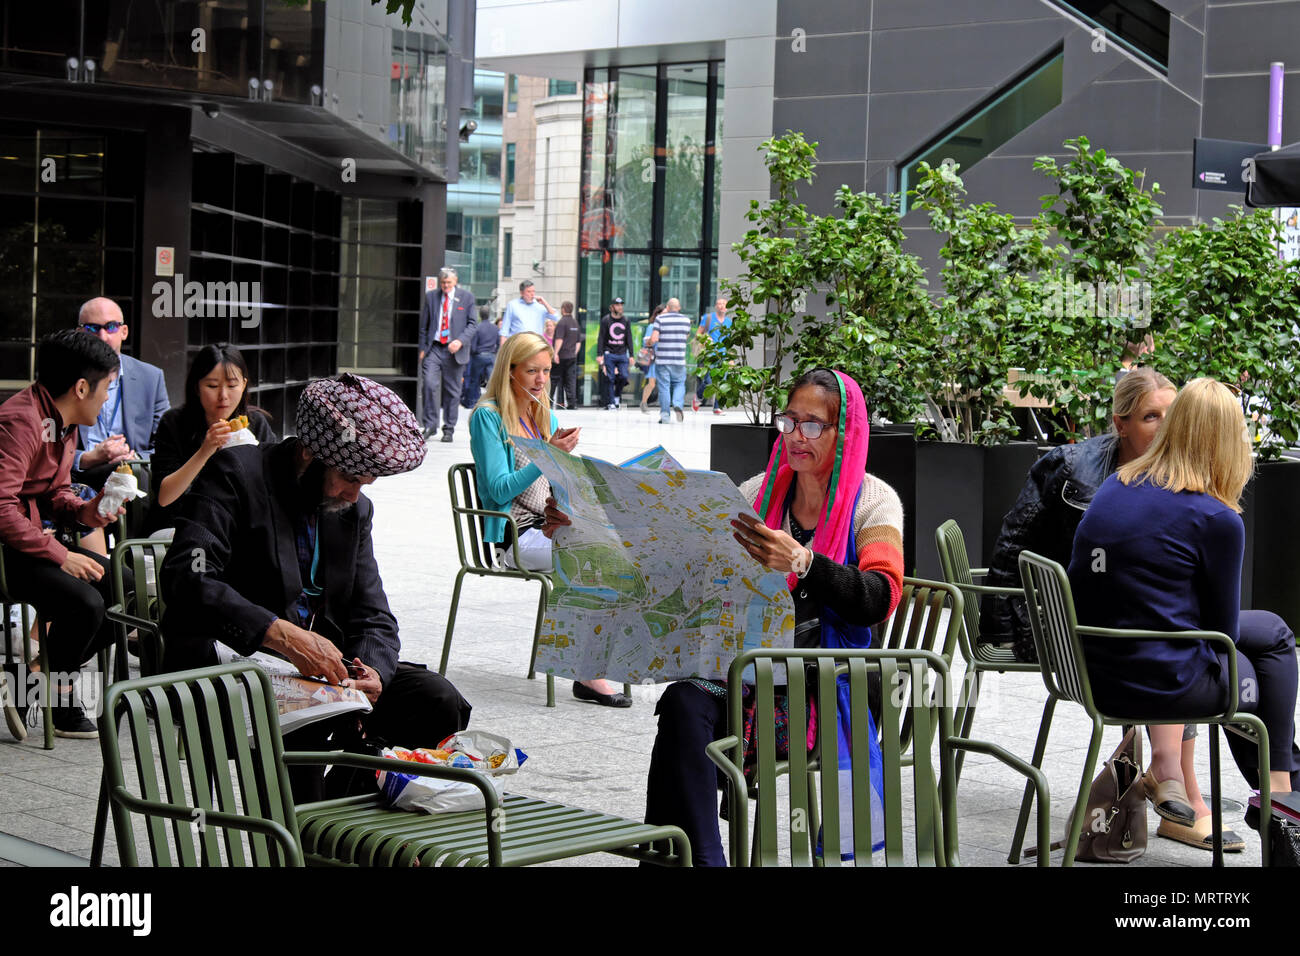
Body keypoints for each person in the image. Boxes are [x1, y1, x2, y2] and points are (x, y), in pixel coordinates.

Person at [160, 373, 470, 801]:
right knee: (309, 720)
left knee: (437, 699)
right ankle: (300, 845)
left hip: (316, 674)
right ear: (309, 452)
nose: (354, 492)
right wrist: (279, 633)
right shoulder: (236, 473)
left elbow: (373, 613)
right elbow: (188, 576)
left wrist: (375, 671)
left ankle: (348, 820)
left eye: (365, 482)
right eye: (348, 476)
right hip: (234, 662)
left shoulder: (354, 509)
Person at [643, 369, 905, 865]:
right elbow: (694, 568)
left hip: (825, 689)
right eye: (789, 421)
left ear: (844, 434)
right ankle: (705, 860)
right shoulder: (757, 494)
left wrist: (805, 562)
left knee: (690, 719)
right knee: (681, 704)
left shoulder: (873, 501)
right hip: (749, 678)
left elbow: (879, 596)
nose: (795, 436)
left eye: (813, 425)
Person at [1068, 378, 1300, 852]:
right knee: (1267, 649)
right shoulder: (1217, 518)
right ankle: (1280, 796)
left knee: (1271, 634)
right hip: (1159, 685)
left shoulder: (1117, 485)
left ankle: (1279, 793)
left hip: (1092, 669)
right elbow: (1222, 633)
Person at [468, 333, 630, 708]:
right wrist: (546, 454)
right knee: (596, 559)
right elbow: (497, 488)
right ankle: (587, 672)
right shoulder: (488, 417)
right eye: (532, 371)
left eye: (546, 371)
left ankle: (593, 662)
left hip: (551, 526)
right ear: (510, 372)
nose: (542, 380)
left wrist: (570, 474)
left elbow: (555, 485)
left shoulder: (544, 414)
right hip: (515, 535)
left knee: (623, 548)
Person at [982, 367, 1177, 661]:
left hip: (1139, 627)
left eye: (1172, 416)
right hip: (1073, 629)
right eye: (1151, 416)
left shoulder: (1182, 477)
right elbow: (1013, 544)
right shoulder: (1071, 466)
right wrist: (1003, 632)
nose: (1166, 427)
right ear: (1121, 425)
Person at [0, 330, 130, 738]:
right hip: (6, 550)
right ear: (80, 387)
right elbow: (1, 508)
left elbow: (55, 491)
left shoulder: (64, 421)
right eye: (107, 388)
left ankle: (32, 678)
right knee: (87, 604)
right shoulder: (20, 420)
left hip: (32, 543)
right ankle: (58, 700)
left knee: (125, 593)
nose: (107, 398)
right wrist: (62, 555)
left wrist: (88, 512)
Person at [145, 344, 277, 535]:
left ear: (244, 385)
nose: (223, 396)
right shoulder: (174, 422)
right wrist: (205, 450)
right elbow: (165, 497)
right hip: (180, 524)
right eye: (212, 386)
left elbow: (272, 485)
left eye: (232, 386)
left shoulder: (255, 423)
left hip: (239, 526)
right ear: (197, 387)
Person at [72, 297, 170, 489]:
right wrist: (86, 458)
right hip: (79, 479)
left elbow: (168, 442)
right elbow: (45, 447)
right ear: (80, 333)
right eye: (92, 328)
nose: (102, 336)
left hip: (133, 474)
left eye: (110, 327)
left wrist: (135, 457)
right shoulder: (62, 377)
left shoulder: (151, 377)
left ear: (124, 331)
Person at [418, 267, 478, 443]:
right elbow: (424, 326)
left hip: (455, 351)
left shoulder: (467, 298)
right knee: (429, 384)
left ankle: (449, 428)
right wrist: (422, 349)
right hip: (435, 348)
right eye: (443, 282)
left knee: (452, 391)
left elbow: (473, 324)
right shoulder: (431, 297)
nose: (445, 285)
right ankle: (430, 425)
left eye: (448, 282)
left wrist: (459, 341)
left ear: (455, 281)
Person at [646, 297, 692, 424]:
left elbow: (654, 339)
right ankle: (677, 404)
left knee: (664, 387)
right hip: (678, 360)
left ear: (667, 307)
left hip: (663, 360)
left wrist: (649, 342)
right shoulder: (686, 320)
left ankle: (665, 416)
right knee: (679, 384)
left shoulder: (660, 319)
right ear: (679, 307)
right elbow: (686, 337)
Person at [460, 305, 500, 411]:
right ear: (489, 315)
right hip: (491, 356)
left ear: (480, 315)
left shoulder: (477, 328)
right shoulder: (495, 328)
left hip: (478, 356)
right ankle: (493, 402)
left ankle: (473, 402)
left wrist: (474, 353)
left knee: (474, 380)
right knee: (492, 380)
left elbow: (473, 346)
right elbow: (498, 343)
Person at [694, 296, 729, 414]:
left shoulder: (730, 322)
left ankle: (717, 407)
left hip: (724, 356)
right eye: (719, 304)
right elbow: (698, 335)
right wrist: (706, 338)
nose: (721, 306)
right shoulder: (708, 318)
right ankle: (698, 396)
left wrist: (730, 358)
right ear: (715, 307)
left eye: (723, 304)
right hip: (710, 355)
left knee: (722, 381)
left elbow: (729, 342)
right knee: (708, 381)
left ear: (727, 307)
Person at [596, 297, 630, 409]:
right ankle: (611, 402)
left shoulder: (626, 320)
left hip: (622, 353)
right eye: (617, 305)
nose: (620, 307)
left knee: (624, 376)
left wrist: (632, 355)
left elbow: (629, 338)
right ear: (612, 307)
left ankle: (616, 395)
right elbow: (601, 338)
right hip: (609, 352)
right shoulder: (606, 320)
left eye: (621, 305)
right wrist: (599, 354)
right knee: (610, 378)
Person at [551, 301, 583, 409]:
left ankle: (549, 401)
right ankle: (572, 403)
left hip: (561, 356)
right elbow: (578, 342)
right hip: (571, 357)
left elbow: (559, 339)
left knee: (554, 379)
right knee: (571, 380)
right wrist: (574, 353)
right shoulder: (575, 323)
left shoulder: (562, 322)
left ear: (563, 309)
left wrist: (555, 353)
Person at [638, 304, 665, 414]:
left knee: (664, 383)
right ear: (657, 314)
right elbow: (646, 341)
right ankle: (644, 402)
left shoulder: (666, 327)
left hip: (664, 357)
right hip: (654, 358)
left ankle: (664, 407)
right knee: (652, 383)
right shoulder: (652, 326)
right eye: (663, 314)